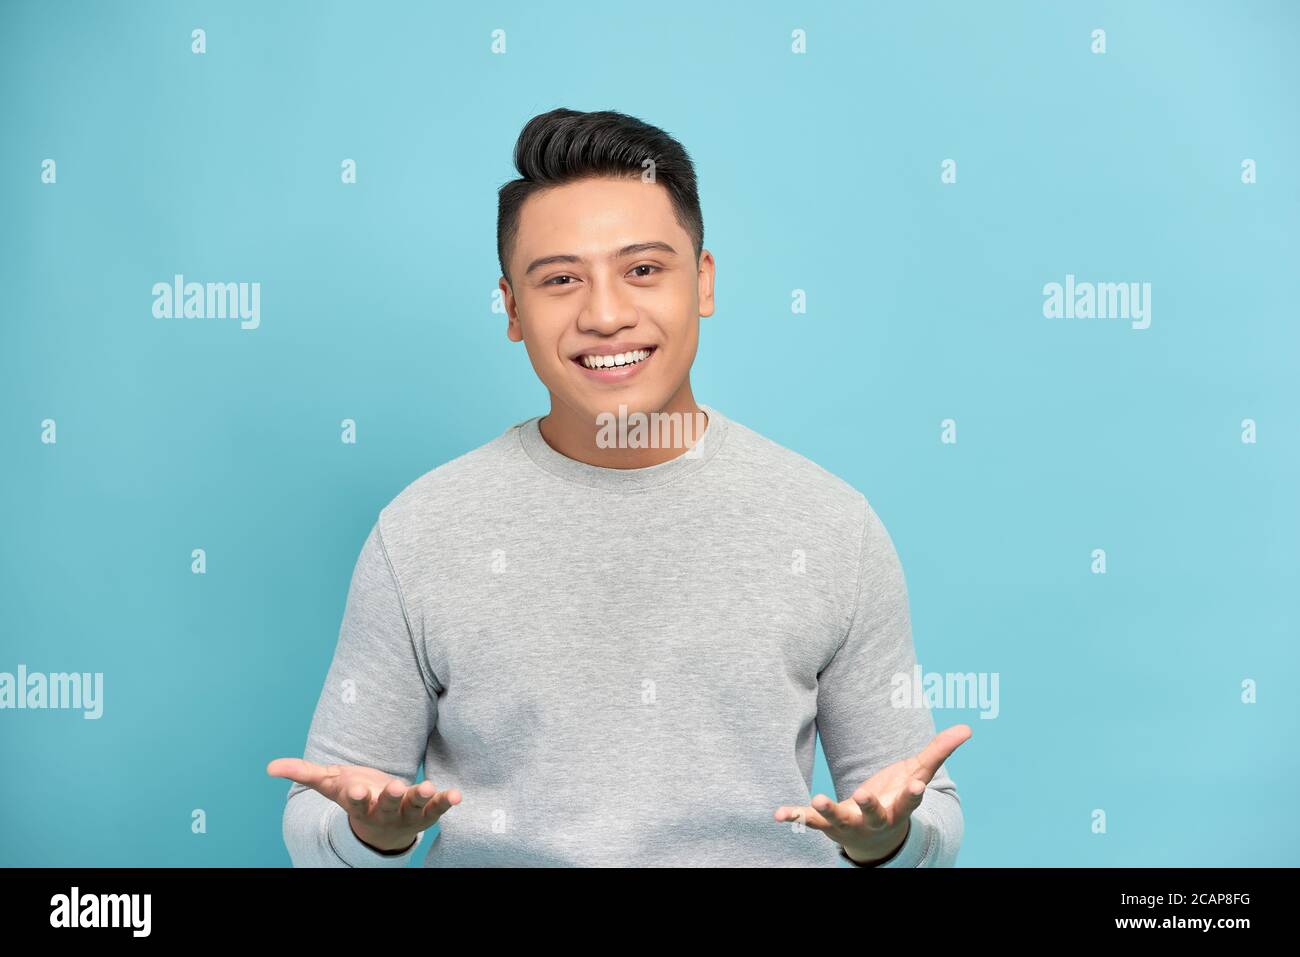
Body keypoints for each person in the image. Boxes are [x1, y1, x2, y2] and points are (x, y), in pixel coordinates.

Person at [266, 107, 972, 867]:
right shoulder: (421, 531)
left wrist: (889, 838)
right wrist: (370, 830)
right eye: (561, 279)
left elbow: (922, 808)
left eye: (643, 270)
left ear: (702, 282)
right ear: (511, 308)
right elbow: (318, 808)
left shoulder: (833, 526)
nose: (605, 315)